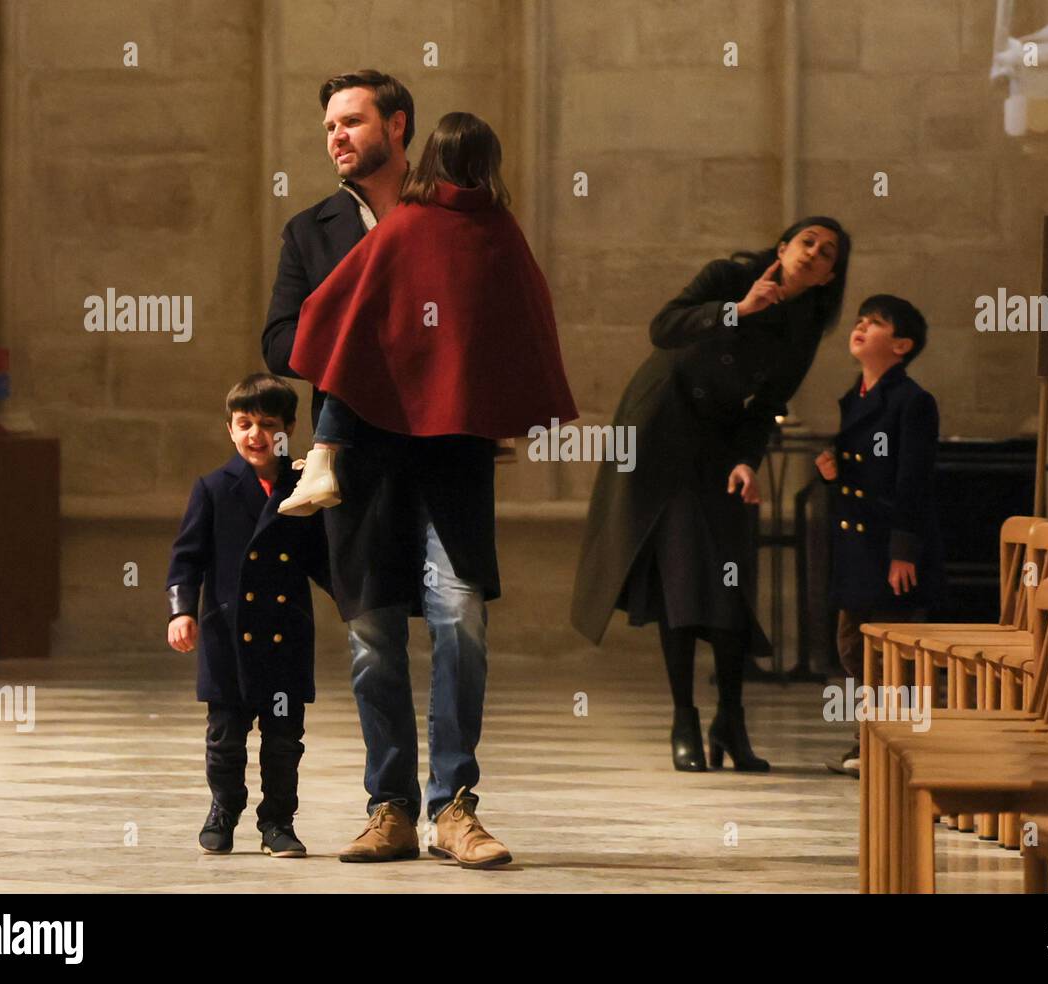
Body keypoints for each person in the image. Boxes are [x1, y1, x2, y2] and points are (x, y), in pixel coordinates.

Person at [274, 108, 576, 869]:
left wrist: (487, 396)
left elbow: (517, 322)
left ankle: (454, 807)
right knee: (373, 637)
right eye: (329, 124)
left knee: (460, 620)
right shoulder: (327, 229)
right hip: (367, 466)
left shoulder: (488, 231)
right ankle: (392, 809)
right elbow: (293, 336)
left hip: (452, 461)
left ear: (401, 130)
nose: (337, 135)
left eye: (352, 121)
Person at [571, 218, 852, 772]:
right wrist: (738, 309)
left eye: (827, 254)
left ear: (827, 278)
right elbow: (664, 327)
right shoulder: (729, 275)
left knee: (729, 572)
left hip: (721, 442)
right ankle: (683, 720)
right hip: (660, 430)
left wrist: (748, 460)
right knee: (680, 572)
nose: (814, 253)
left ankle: (730, 717)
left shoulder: (805, 328)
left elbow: (768, 404)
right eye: (807, 242)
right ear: (783, 248)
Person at [165, 373, 331, 858]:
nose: (256, 434)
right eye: (244, 423)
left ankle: (278, 822)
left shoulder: (305, 488)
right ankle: (224, 810)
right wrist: (181, 611)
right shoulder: (214, 488)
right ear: (230, 430)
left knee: (283, 743)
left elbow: (322, 558)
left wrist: (353, 597)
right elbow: (186, 558)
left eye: (268, 423)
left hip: (285, 638)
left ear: (290, 428)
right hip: (226, 637)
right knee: (225, 740)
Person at [815, 295, 943, 778]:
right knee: (852, 644)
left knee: (890, 647)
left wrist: (904, 552)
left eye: (876, 323)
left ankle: (887, 744)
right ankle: (873, 737)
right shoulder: (856, 397)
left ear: (902, 345)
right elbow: (859, 473)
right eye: (859, 320)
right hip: (857, 546)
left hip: (890, 545)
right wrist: (833, 472)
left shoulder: (912, 402)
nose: (862, 327)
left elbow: (913, 480)